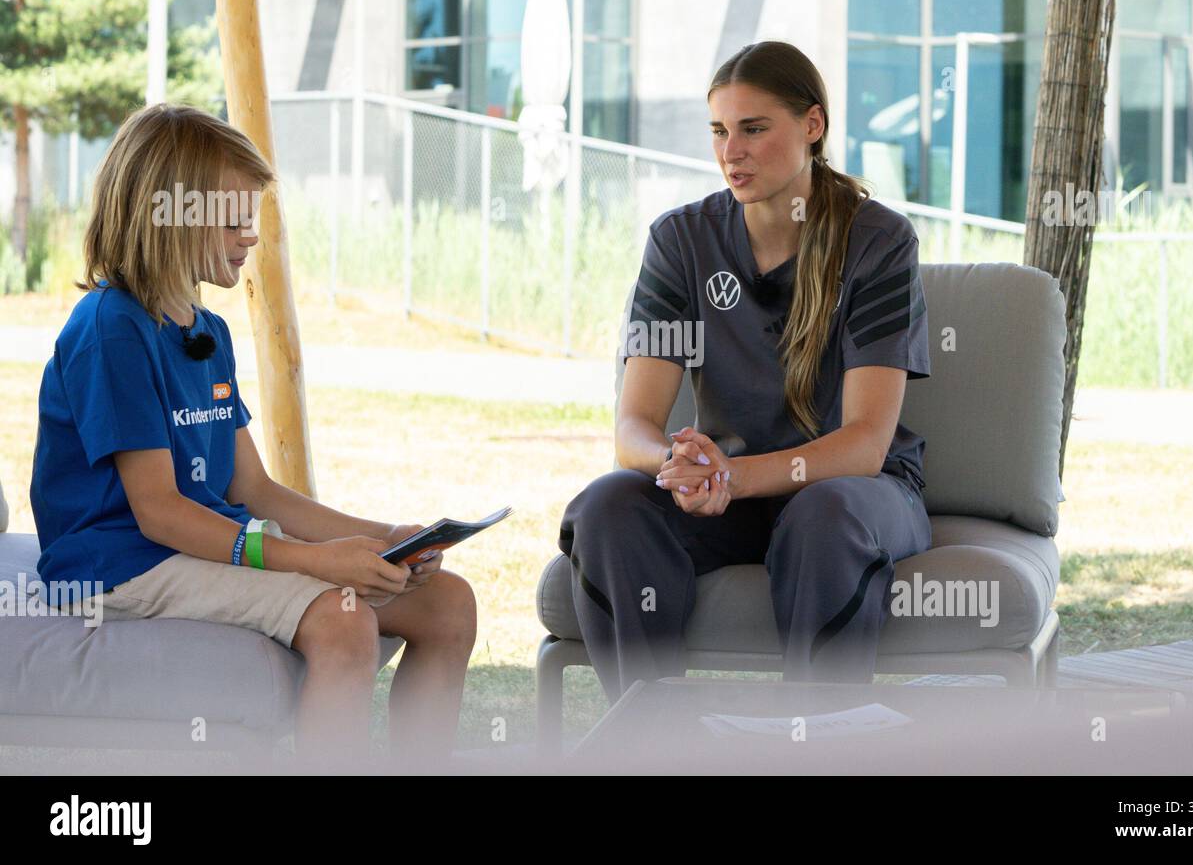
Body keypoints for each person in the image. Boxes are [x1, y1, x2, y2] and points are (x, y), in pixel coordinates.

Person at [29, 103, 476, 769]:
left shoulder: (208, 332)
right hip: (117, 564)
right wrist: (320, 562)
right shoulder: (109, 328)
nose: (251, 235)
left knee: (447, 604)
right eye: (236, 218)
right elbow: (158, 514)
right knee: (344, 616)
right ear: (171, 215)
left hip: (191, 543)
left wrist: (385, 538)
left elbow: (253, 487)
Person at [558, 40, 933, 703]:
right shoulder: (681, 242)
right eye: (720, 131)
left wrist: (732, 476)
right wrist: (676, 462)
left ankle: (819, 744)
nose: (732, 151)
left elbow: (866, 442)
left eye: (754, 129)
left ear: (812, 126)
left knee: (824, 517)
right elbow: (635, 428)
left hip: (853, 494)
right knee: (607, 505)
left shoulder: (878, 242)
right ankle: (649, 740)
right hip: (729, 498)